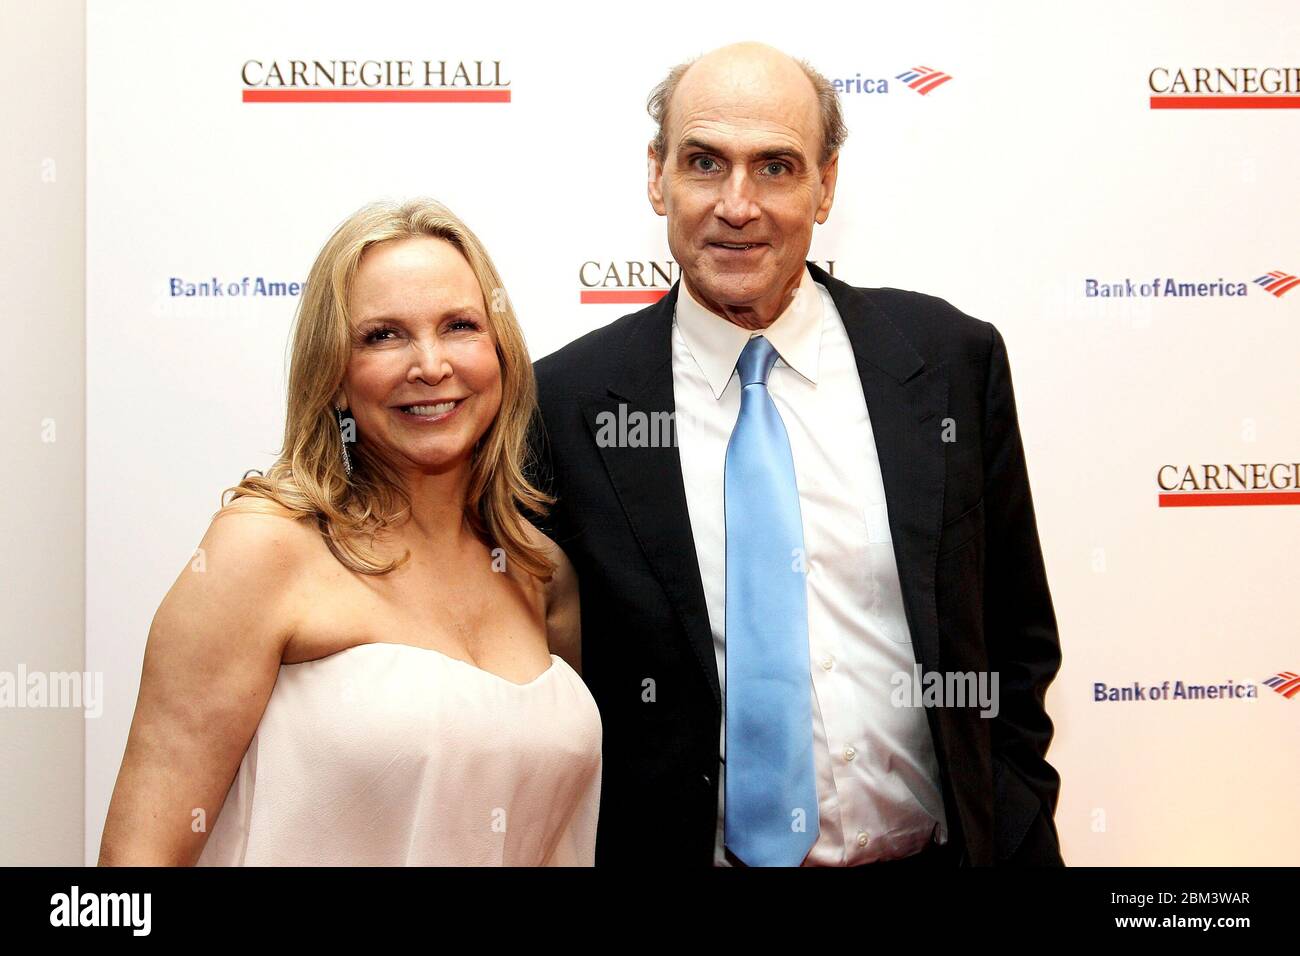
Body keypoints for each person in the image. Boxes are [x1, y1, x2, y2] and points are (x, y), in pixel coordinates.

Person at [529, 42, 1063, 866]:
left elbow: (1016, 639)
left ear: (826, 185)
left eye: (775, 167)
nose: (737, 205)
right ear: (656, 175)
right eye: (705, 163)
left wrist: (1014, 816)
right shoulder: (564, 404)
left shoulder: (950, 361)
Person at [99, 198, 600, 866]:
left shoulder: (539, 573)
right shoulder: (262, 549)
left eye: (459, 326)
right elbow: (137, 864)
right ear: (334, 377)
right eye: (382, 336)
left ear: (502, 354)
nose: (430, 364)